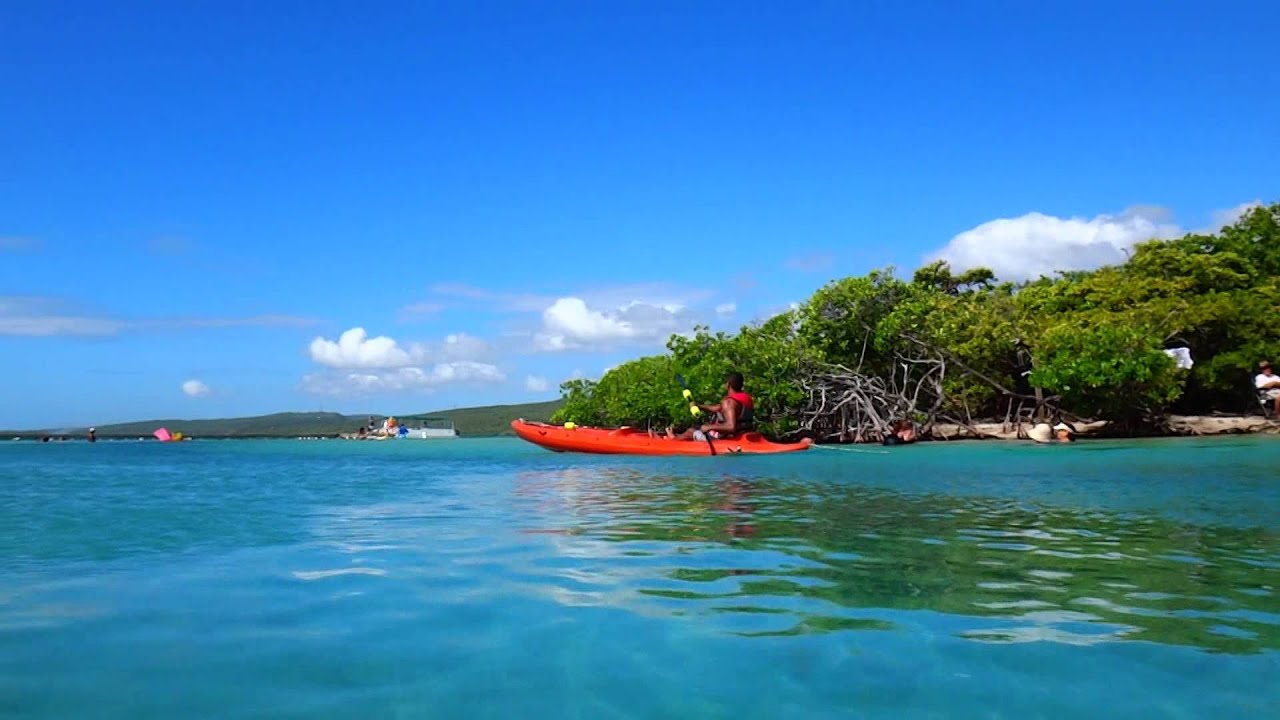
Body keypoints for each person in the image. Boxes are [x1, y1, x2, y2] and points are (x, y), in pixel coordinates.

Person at [667, 372, 755, 441]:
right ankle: (676, 437)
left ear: (728, 385)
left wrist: (709, 427)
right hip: (743, 434)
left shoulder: (729, 402)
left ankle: (672, 441)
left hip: (728, 438)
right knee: (699, 428)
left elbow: (730, 427)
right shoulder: (745, 398)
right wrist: (699, 406)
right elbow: (719, 408)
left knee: (691, 431)